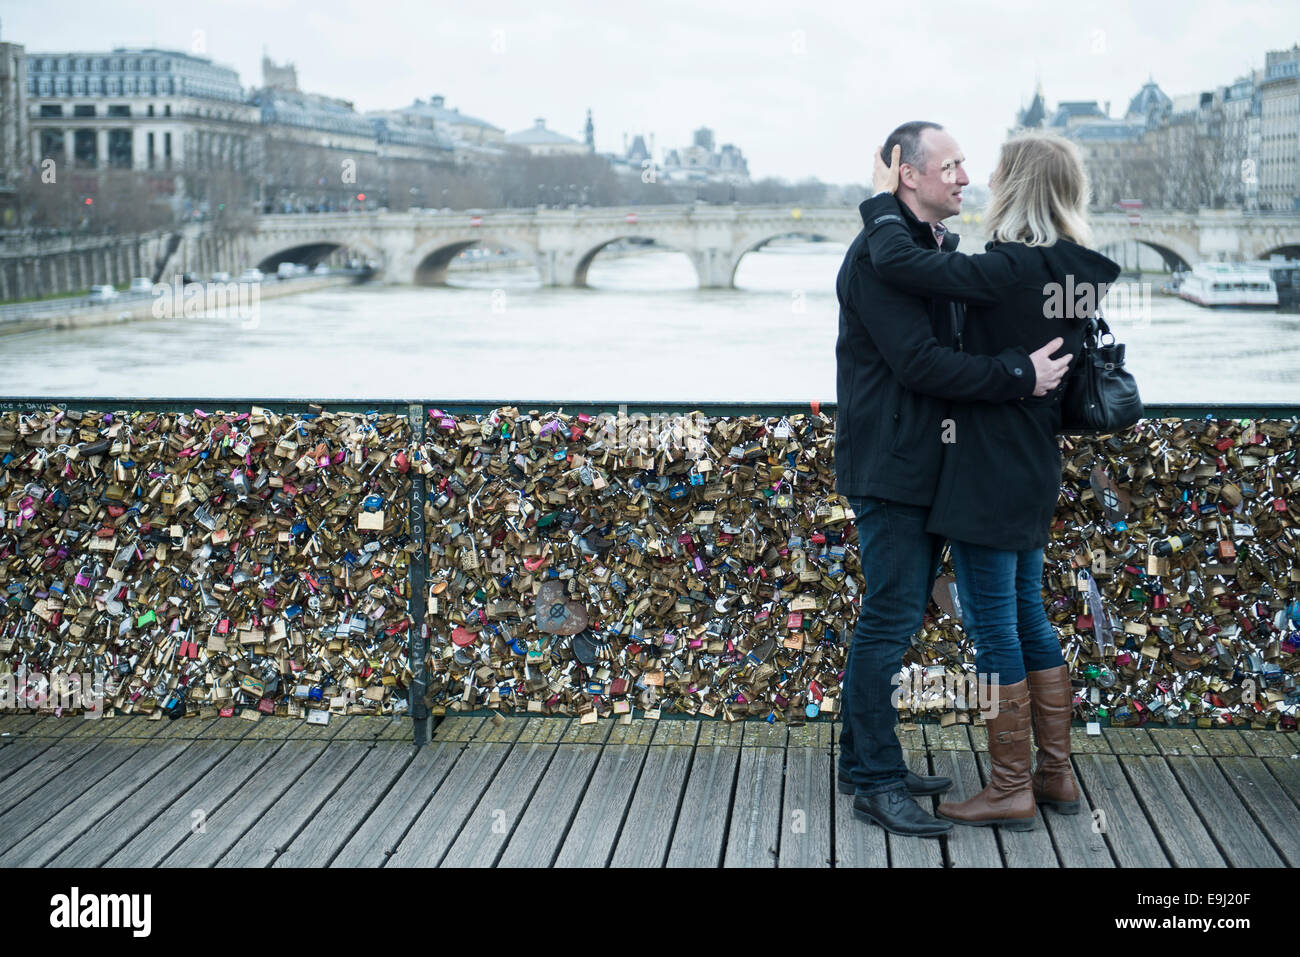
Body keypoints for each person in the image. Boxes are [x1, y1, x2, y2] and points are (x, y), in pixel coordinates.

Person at [861, 129, 1122, 829]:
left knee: (993, 628)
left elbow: (896, 261)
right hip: (1036, 465)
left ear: (1018, 187)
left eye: (995, 172)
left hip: (981, 471)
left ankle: (1009, 786)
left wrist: (886, 200)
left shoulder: (1003, 271)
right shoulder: (1078, 275)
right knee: (1029, 616)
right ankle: (1055, 773)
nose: (978, 180)